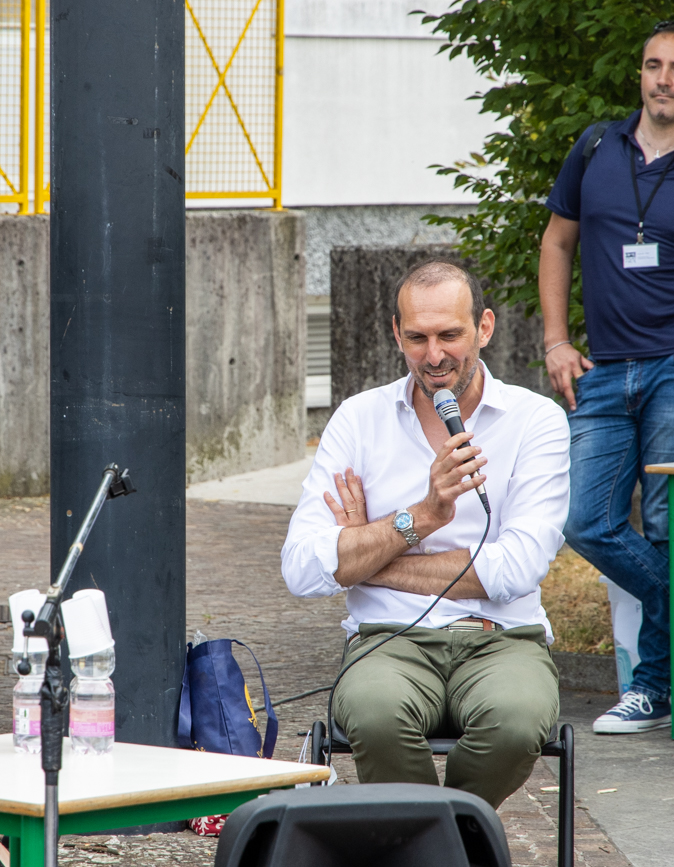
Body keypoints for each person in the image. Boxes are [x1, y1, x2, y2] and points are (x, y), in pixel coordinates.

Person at [539, 21, 674, 735]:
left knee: (671, 524)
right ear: (640, 74)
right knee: (588, 521)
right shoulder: (596, 148)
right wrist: (553, 340)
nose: (662, 79)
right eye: (652, 66)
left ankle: (653, 685)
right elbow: (556, 241)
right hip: (602, 370)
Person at [281, 260, 569, 809]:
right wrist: (420, 518)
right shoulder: (358, 419)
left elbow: (515, 569)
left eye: (449, 335)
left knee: (514, 724)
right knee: (374, 714)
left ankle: (432, 840)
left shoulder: (536, 420)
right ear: (396, 332)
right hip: (388, 638)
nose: (434, 356)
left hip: (501, 636)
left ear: (483, 327)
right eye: (417, 338)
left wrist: (367, 550)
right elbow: (300, 566)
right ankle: (441, 844)